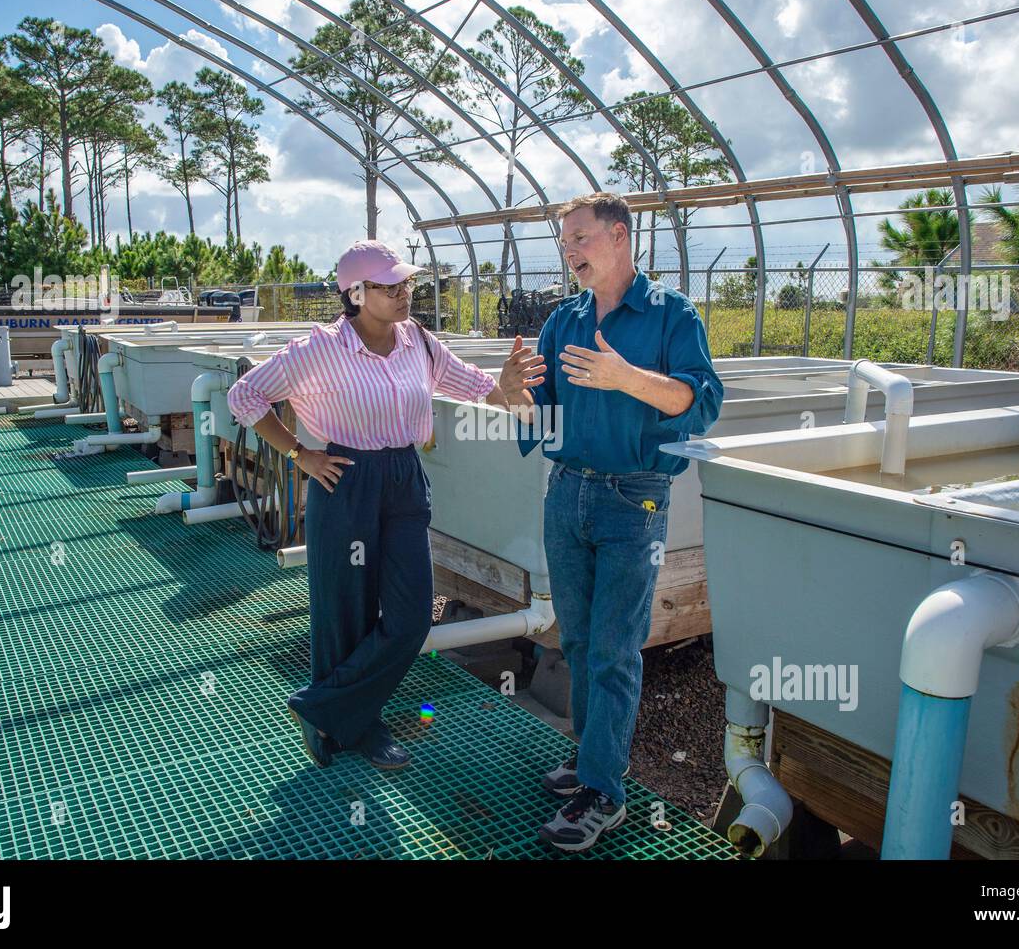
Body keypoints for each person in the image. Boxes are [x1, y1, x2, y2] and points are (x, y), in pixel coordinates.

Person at [226, 240, 519, 770]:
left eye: (406, 283)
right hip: (345, 478)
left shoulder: (419, 344)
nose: (405, 293)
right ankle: (355, 725)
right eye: (391, 286)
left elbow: (475, 386)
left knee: (409, 617)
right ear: (356, 294)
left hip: (403, 477)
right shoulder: (317, 349)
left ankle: (320, 708)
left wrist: (508, 389)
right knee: (344, 611)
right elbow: (244, 397)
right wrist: (300, 454)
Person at [498, 192, 724, 852]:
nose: (569, 252)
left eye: (580, 238)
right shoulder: (563, 321)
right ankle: (591, 758)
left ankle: (606, 792)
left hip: (636, 498)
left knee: (614, 650)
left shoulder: (670, 314)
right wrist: (510, 390)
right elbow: (536, 416)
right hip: (565, 493)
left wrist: (626, 377)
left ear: (619, 237)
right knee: (575, 641)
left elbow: (699, 402)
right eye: (564, 243)